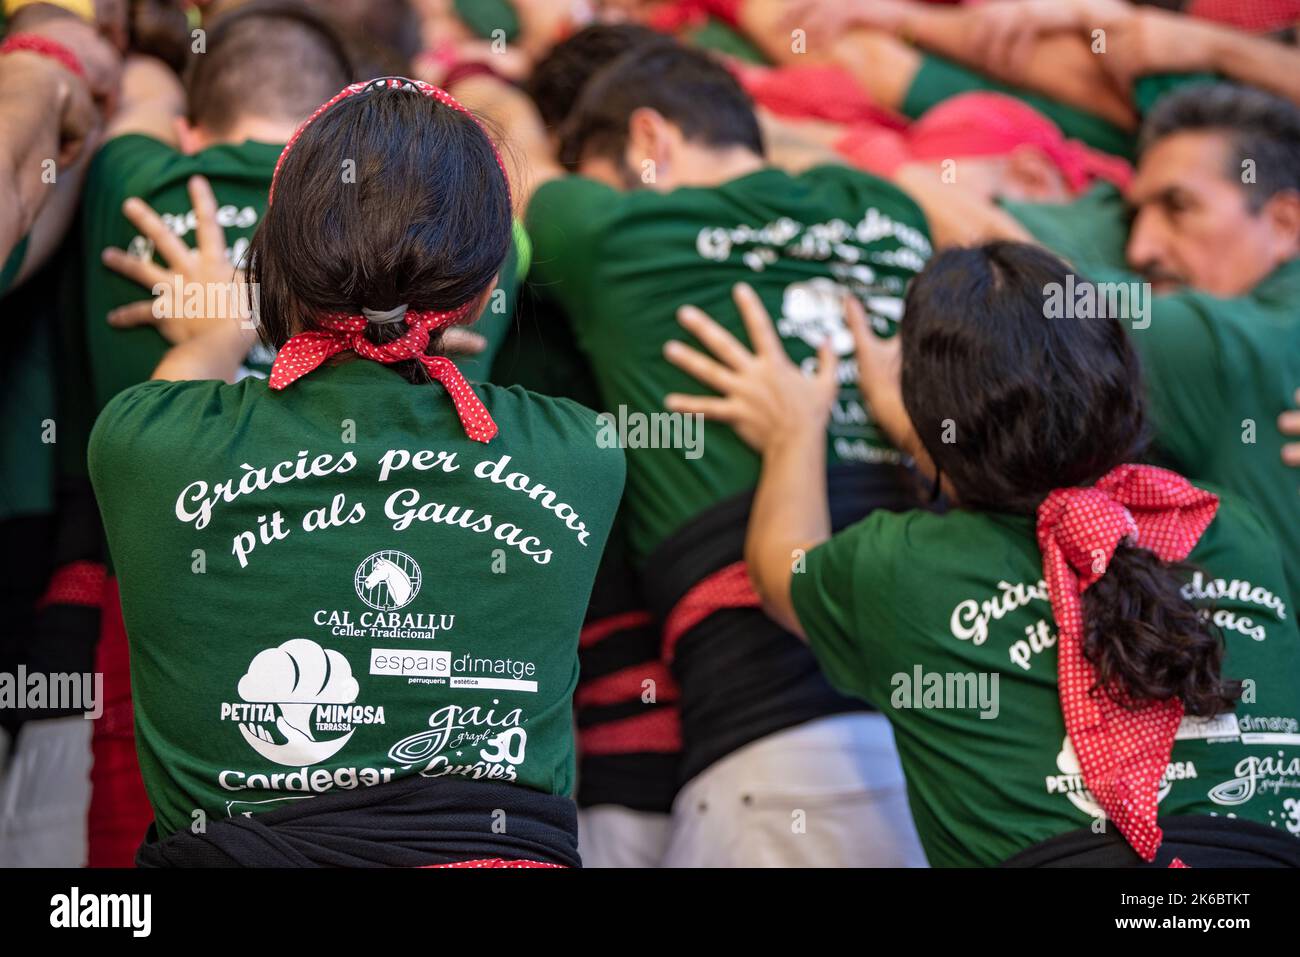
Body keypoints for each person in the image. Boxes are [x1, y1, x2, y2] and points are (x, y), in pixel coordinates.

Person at [88, 75, 624, 866]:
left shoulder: (146, 443)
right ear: (480, 297)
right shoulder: (584, 455)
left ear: (267, 268)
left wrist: (214, 335)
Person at [663, 243, 1300, 866]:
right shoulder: (1229, 524)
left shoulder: (900, 569)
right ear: (1126, 379)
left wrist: (795, 432)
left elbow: (781, 570)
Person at [490, 41, 934, 866]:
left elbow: (526, 177)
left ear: (650, 142)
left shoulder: (614, 234)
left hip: (775, 759)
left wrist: (496, 86)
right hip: (940, 752)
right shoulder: (892, 210)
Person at [1000, 84, 1300, 607]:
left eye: (1178, 207)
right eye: (1137, 216)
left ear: (1283, 224)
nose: (1140, 248)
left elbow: (1022, 285)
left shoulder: (1235, 343)